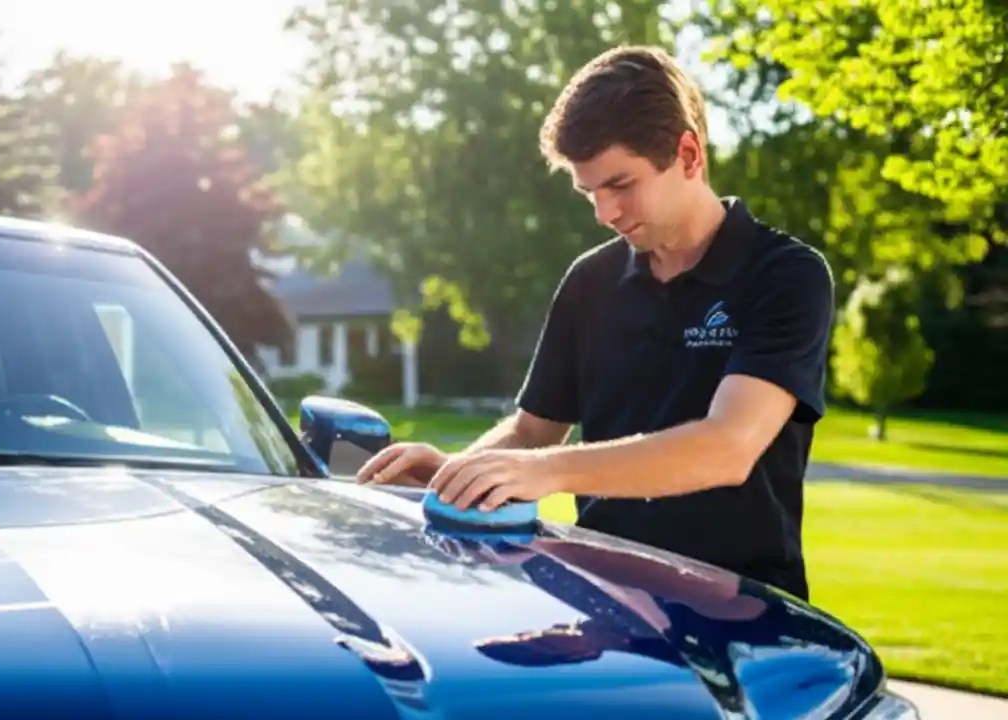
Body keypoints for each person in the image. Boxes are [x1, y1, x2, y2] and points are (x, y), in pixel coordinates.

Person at [356, 45, 835, 601]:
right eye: (590, 192)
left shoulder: (786, 275)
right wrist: (458, 472)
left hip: (745, 615)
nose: (604, 214)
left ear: (688, 154)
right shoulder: (591, 280)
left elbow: (727, 447)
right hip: (606, 606)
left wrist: (548, 472)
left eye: (621, 185)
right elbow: (533, 434)